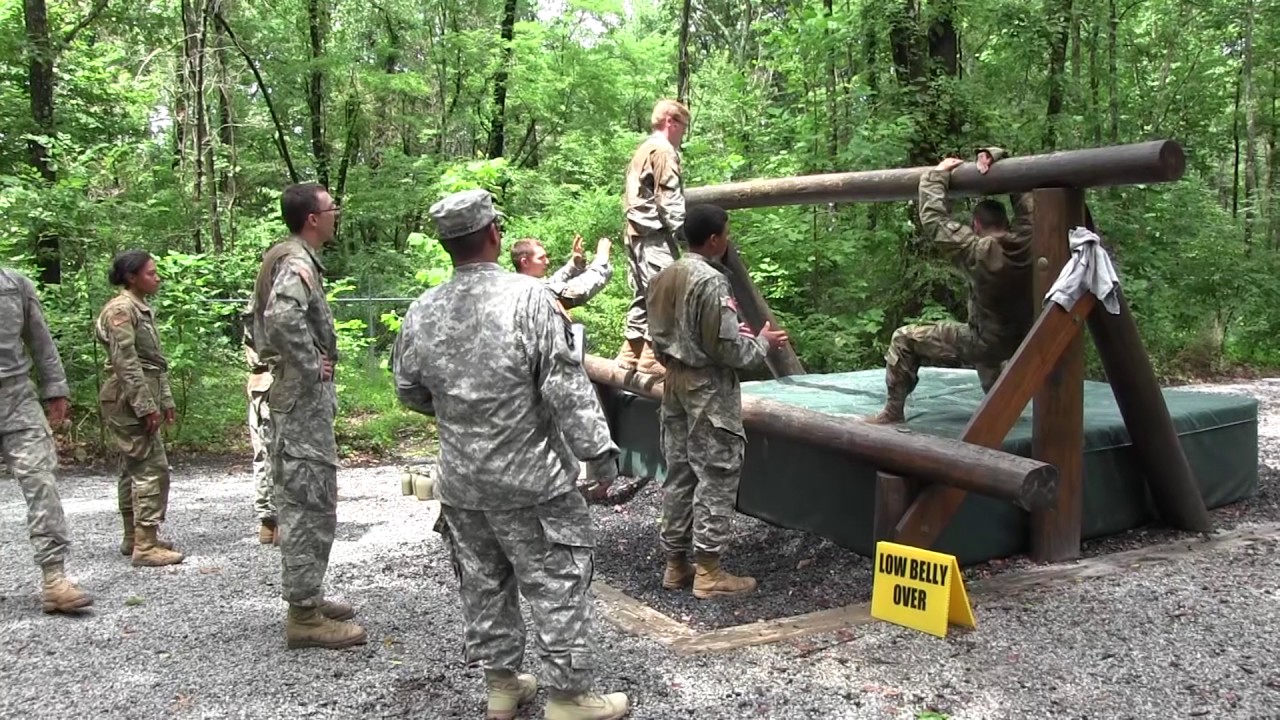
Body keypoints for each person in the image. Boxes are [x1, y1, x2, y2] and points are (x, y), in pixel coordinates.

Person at [393, 188, 630, 720]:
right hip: (533, 483)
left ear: (447, 245)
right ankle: (569, 700)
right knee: (557, 583)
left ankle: (503, 687)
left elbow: (408, 389)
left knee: (483, 585)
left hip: (462, 483)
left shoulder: (423, 309)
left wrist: (463, 415)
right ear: (494, 235)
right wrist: (600, 456)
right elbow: (566, 387)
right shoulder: (530, 299)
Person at [645, 204, 790, 600]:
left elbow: (660, 338)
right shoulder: (711, 282)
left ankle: (675, 565)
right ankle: (708, 571)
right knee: (717, 472)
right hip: (707, 390)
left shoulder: (662, 277)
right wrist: (762, 342)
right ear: (713, 240)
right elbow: (729, 351)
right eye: (726, 233)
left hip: (673, 382)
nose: (727, 240)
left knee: (678, 472)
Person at [249, 182, 366, 650]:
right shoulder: (297, 261)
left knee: (310, 500)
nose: (336, 214)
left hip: (298, 401)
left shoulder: (295, 257)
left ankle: (309, 598)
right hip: (300, 404)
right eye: (331, 208)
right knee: (309, 503)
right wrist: (308, 361)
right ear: (312, 219)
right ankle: (304, 616)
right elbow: (280, 317)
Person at [867, 147, 1035, 424]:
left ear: (976, 225)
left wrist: (936, 175)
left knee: (905, 338)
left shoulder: (973, 250)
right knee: (989, 347)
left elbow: (934, 220)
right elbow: (1026, 199)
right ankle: (1002, 403)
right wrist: (996, 154)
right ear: (1007, 222)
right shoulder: (1030, 240)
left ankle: (892, 412)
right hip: (1024, 341)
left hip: (985, 342)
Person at [0, 267, 93, 614]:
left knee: (41, 482)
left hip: (16, 398)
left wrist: (56, 387)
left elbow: (40, 338)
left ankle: (54, 579)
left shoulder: (14, 285)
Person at [96, 250, 185, 567]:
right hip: (128, 397)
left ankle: (135, 537)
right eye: (150, 273)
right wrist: (145, 405)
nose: (156, 277)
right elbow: (126, 363)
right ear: (131, 277)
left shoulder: (139, 308)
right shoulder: (121, 310)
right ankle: (145, 545)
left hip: (142, 391)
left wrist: (165, 399)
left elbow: (153, 363)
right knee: (150, 467)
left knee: (132, 466)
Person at [618, 98, 691, 379]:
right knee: (666, 295)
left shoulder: (643, 149)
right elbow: (668, 194)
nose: (684, 133)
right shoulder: (663, 151)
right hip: (653, 235)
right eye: (683, 126)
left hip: (636, 234)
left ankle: (630, 351)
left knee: (643, 294)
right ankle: (651, 356)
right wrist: (683, 232)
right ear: (671, 122)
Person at [241, 300, 277, 545]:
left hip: (267, 383)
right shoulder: (274, 300)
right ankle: (274, 521)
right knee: (273, 454)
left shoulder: (266, 296)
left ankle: (270, 522)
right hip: (274, 383)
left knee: (266, 455)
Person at [511, 234, 613, 311]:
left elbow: (552, 284)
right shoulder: (533, 290)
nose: (547, 261)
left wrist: (574, 263)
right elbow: (578, 291)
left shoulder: (520, 285)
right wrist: (601, 261)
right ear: (525, 262)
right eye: (540, 258)